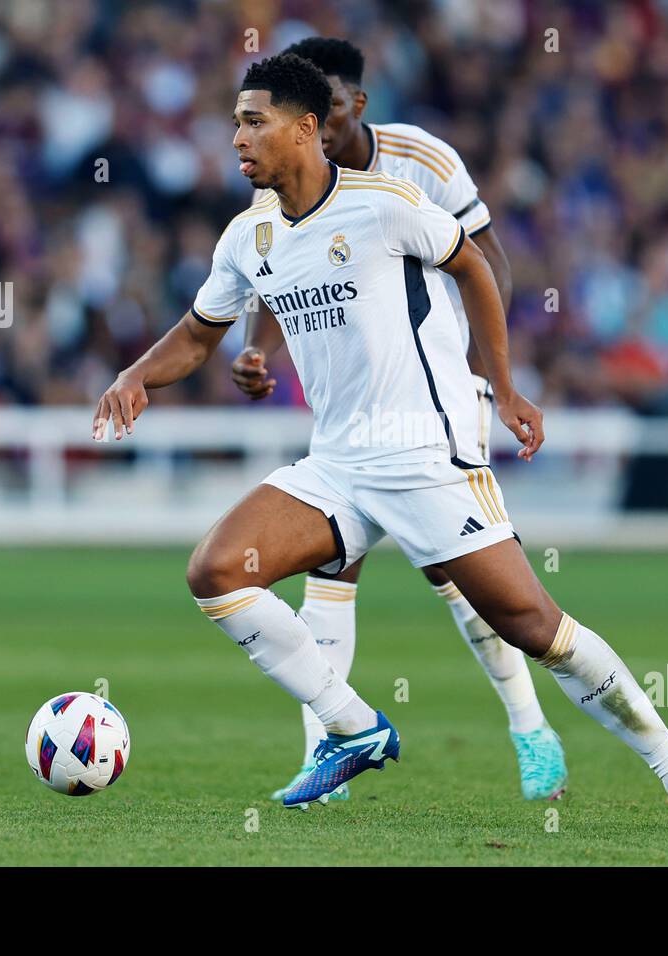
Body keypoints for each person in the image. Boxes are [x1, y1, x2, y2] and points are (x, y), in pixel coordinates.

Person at [93, 53, 668, 828]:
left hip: (424, 453)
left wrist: (502, 388)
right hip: (338, 462)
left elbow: (475, 268)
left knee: (534, 627)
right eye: (235, 121)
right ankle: (354, 727)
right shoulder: (249, 236)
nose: (236, 138)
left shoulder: (384, 203)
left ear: (306, 129)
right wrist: (137, 376)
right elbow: (197, 332)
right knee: (216, 572)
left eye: (253, 121)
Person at [228, 37, 565, 806]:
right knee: (329, 566)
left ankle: (528, 728)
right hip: (352, 412)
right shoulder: (281, 185)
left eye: (339, 114)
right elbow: (276, 273)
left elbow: (486, 258)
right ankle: (331, 749)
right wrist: (255, 351)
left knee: (461, 577)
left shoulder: (423, 161)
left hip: (437, 394)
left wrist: (489, 372)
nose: (331, 131)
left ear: (354, 108)